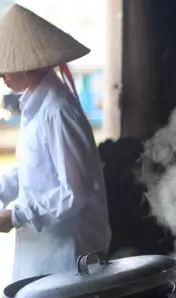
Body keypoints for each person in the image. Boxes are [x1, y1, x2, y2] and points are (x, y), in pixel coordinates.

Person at [0, 5, 110, 281]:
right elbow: (29, 170)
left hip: (68, 258)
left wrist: (16, 216)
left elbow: (74, 191)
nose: (2, 76)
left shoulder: (58, 110)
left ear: (29, 65)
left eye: (7, 67)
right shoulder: (35, 106)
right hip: (43, 252)